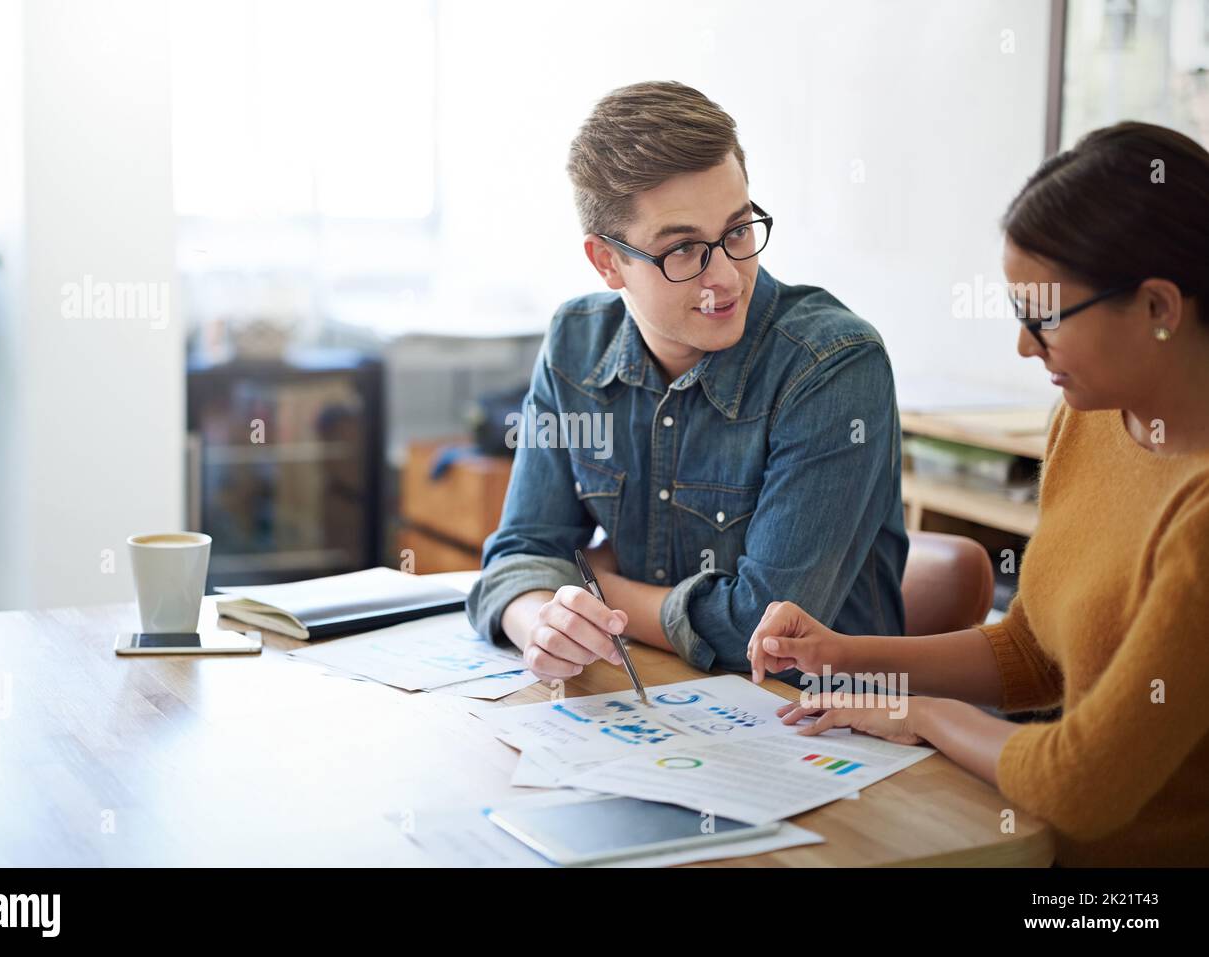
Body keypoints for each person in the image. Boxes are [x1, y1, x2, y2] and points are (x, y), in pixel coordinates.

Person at [753, 121, 1209, 866]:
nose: (1025, 347)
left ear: (1159, 308)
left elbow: (1082, 782)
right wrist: (846, 655)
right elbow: (1036, 651)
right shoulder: (1092, 419)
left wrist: (923, 713)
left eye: (1044, 319)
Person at [466, 81, 908, 684]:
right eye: (683, 250)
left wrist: (596, 581)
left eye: (738, 231)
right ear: (607, 262)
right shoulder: (575, 343)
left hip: (820, 726)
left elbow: (765, 636)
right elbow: (520, 554)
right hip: (662, 700)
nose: (725, 277)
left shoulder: (833, 365)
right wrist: (543, 623)